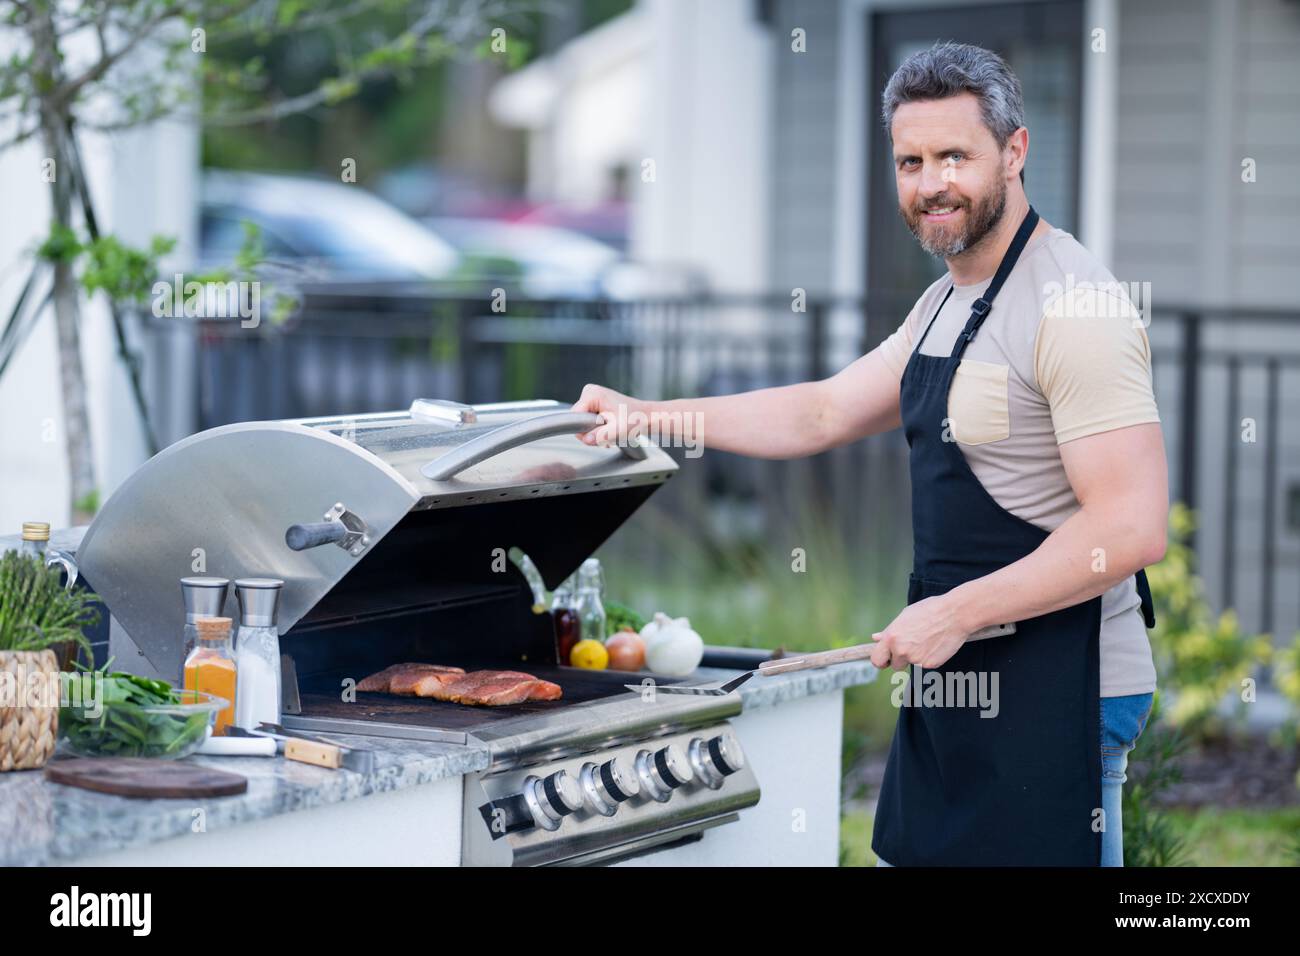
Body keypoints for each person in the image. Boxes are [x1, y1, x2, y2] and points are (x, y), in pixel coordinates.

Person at [572, 41, 1165, 866]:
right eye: (911, 161)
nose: (931, 185)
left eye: (955, 155)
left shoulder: (1076, 307)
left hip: (1066, 682)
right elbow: (819, 412)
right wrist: (649, 417)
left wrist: (955, 613)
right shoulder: (944, 301)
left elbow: (1130, 529)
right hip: (956, 663)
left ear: (1016, 151)